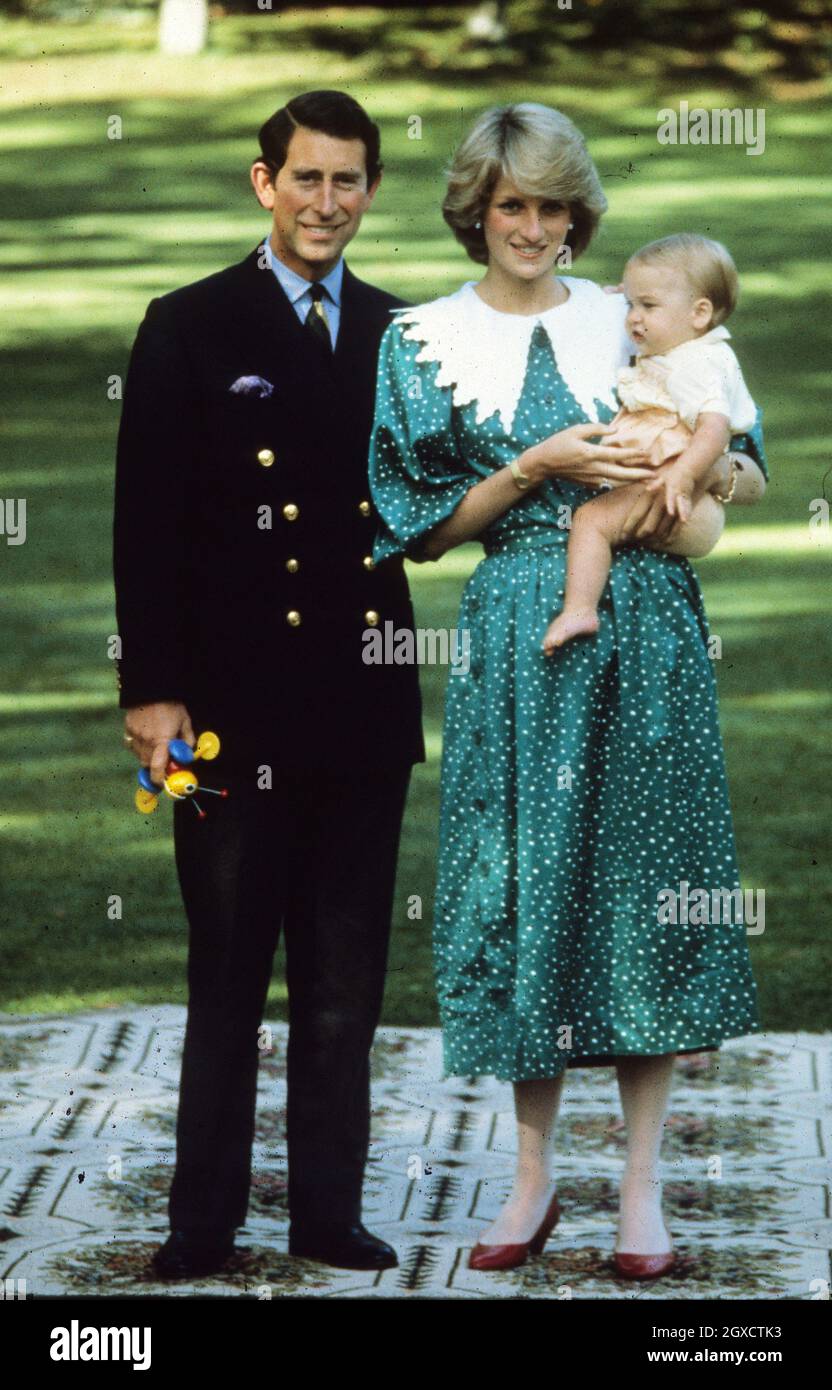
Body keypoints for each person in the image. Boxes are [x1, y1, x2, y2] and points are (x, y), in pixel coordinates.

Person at [368, 103, 767, 1280]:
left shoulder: (639, 313)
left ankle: (641, 1187)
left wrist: (716, 480)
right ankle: (531, 1173)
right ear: (475, 213)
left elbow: (741, 454)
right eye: (510, 206)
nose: (532, 227)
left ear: (577, 213)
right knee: (524, 883)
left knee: (645, 885)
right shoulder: (420, 340)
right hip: (522, 626)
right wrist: (533, 464)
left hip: (647, 615)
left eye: (551, 205)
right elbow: (419, 529)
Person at [113, 90, 424, 1278]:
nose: (326, 204)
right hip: (229, 708)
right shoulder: (190, 323)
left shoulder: (404, 334)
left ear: (369, 192)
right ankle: (203, 1222)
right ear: (263, 184)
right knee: (230, 970)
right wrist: (152, 691)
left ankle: (326, 1215)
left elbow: (436, 505)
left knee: (344, 980)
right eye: (306, 179)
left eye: (348, 182)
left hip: (360, 702)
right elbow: (146, 525)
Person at [543, 232, 756, 651]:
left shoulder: (694, 364)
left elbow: (714, 427)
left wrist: (683, 475)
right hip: (678, 498)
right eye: (630, 304)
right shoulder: (690, 348)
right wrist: (630, 298)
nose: (634, 318)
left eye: (648, 306)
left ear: (700, 313)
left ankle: (579, 610)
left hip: (676, 496)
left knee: (590, 522)